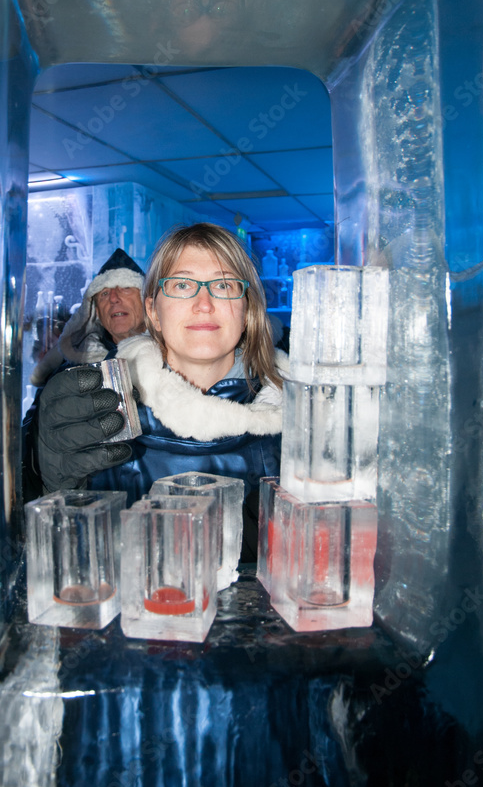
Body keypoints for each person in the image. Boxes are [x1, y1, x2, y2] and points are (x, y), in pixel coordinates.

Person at [29, 223, 289, 558]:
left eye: (223, 285)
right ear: (154, 311)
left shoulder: (307, 415)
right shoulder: (95, 404)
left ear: (247, 309)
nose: (204, 303)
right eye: (182, 284)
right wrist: (48, 483)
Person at [29, 247, 146, 385]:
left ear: (147, 300)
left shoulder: (174, 359)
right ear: (95, 311)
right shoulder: (70, 376)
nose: (113, 298)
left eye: (125, 288)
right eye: (104, 293)